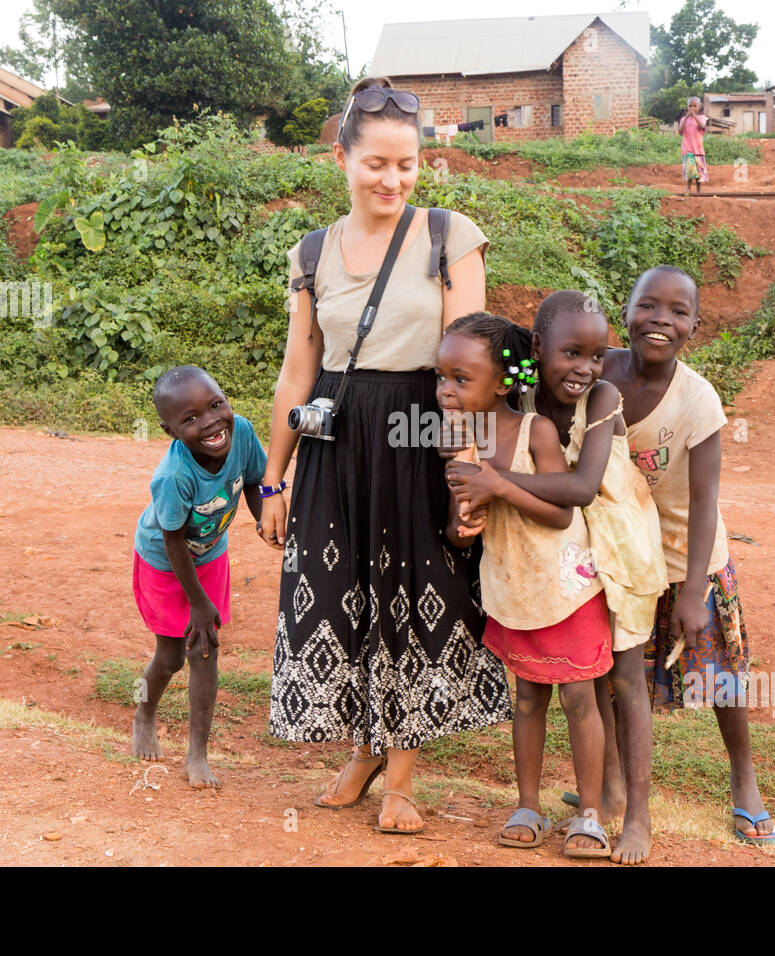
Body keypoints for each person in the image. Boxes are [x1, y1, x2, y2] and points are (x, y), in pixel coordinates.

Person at [260, 77, 513, 835]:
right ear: (340, 156)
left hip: (418, 433)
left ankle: (402, 776)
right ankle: (364, 748)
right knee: (342, 595)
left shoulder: (448, 236)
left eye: (406, 165)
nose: (393, 180)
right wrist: (272, 477)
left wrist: (467, 478)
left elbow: (471, 369)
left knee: (412, 592)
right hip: (336, 441)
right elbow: (297, 371)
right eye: (376, 163)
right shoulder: (313, 252)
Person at [446, 291, 665, 864]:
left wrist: (494, 484)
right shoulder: (507, 405)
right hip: (534, 573)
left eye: (596, 354)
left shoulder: (601, 395)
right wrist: (475, 503)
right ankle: (558, 803)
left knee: (620, 682)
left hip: (610, 547)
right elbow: (472, 499)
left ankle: (629, 816)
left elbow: (580, 490)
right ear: (538, 348)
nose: (585, 367)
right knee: (542, 693)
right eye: (571, 353)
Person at [601, 266, 775, 845]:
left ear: (694, 327)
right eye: (648, 305)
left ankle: (744, 779)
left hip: (687, 558)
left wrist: (695, 591)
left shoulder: (697, 399)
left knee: (720, 677)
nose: (661, 320)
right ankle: (613, 787)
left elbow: (706, 500)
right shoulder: (596, 372)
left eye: (677, 312)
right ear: (623, 311)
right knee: (615, 677)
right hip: (621, 555)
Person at [131, 366, 266, 788]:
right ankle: (145, 711)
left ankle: (197, 755)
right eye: (190, 419)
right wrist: (198, 603)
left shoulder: (241, 431)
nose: (210, 422)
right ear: (169, 429)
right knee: (171, 657)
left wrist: (269, 525)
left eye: (215, 405)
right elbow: (173, 542)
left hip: (210, 556)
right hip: (164, 562)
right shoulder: (173, 477)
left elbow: (256, 481)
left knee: (204, 650)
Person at [677, 97, 709, 196]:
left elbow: (702, 127)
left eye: (694, 106)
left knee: (699, 172)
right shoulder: (683, 119)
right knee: (690, 171)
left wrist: (694, 117)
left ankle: (699, 190)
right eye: (690, 106)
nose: (692, 108)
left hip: (698, 149)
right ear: (687, 107)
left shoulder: (702, 118)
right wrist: (686, 117)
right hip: (687, 148)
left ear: (699, 107)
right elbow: (680, 131)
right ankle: (688, 188)